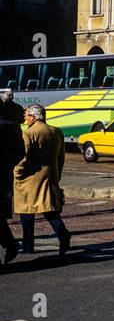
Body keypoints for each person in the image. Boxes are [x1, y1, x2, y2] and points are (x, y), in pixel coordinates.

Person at [13, 104, 71, 256]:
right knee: (49, 210)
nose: (25, 118)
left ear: (33, 117)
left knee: (26, 212)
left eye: (26, 115)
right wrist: (57, 175)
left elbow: (22, 157)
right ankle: (63, 234)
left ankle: (27, 245)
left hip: (29, 179)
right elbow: (61, 157)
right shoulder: (56, 132)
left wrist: (17, 174)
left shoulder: (28, 133)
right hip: (49, 176)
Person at [0, 92, 24, 268]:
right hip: (4, 177)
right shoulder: (14, 129)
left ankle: (10, 244)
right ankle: (10, 244)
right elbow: (20, 154)